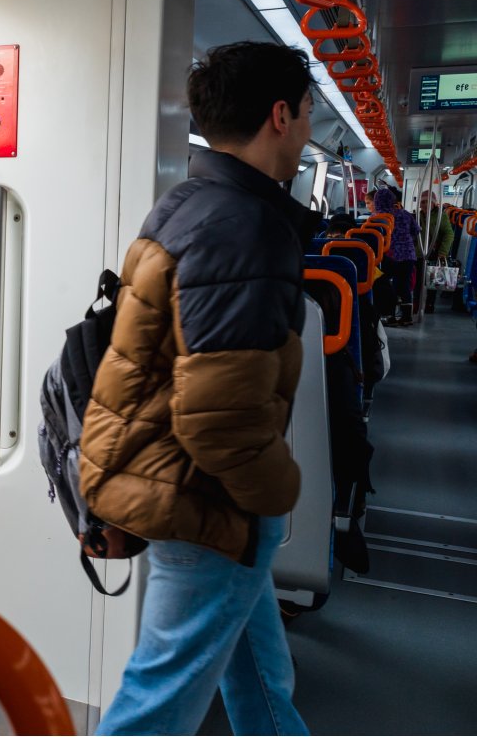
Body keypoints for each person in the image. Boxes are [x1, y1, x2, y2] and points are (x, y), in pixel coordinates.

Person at [79, 41, 320, 735]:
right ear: (280, 116)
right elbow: (219, 418)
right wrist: (280, 495)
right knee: (157, 702)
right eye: (305, 114)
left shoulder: (189, 202)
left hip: (187, 484)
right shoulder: (246, 229)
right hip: (209, 499)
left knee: (263, 682)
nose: (307, 132)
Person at [374, 187, 419, 327]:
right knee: (404, 285)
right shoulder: (405, 214)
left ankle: (389, 315)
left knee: (387, 285)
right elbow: (416, 230)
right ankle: (407, 317)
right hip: (408, 254)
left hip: (388, 255)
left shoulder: (376, 218)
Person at [416, 191, 453, 314]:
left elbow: (448, 234)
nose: (424, 205)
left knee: (432, 280)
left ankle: (430, 304)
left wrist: (442, 252)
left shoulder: (441, 216)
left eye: (427, 202)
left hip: (434, 251)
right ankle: (416, 304)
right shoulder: (417, 215)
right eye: (422, 202)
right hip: (419, 251)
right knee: (418, 280)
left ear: (433, 203)